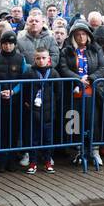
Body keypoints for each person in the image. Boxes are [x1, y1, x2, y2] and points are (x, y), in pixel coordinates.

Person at [57, 19, 104, 168]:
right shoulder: (67, 50)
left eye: (84, 34)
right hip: (74, 92)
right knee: (74, 121)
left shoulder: (95, 49)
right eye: (78, 35)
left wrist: (91, 78)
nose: (81, 37)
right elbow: (63, 67)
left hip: (93, 91)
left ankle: (94, 150)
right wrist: (78, 79)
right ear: (73, 36)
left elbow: (103, 67)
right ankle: (79, 150)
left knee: (93, 121)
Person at [0, 31, 26, 172]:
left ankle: (12, 159)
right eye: (5, 43)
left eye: (11, 43)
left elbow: (23, 79)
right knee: (0, 130)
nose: (8, 46)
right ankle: (1, 160)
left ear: (15, 45)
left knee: (14, 130)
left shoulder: (20, 59)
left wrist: (13, 91)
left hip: (15, 101)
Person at [22, 46, 61, 174]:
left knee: (48, 138)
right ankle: (33, 162)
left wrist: (54, 105)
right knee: (33, 137)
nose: (41, 61)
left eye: (43, 58)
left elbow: (58, 91)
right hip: (33, 111)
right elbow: (24, 90)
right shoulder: (29, 73)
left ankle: (47, 161)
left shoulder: (54, 73)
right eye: (38, 58)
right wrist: (27, 103)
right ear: (34, 59)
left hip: (49, 112)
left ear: (48, 59)